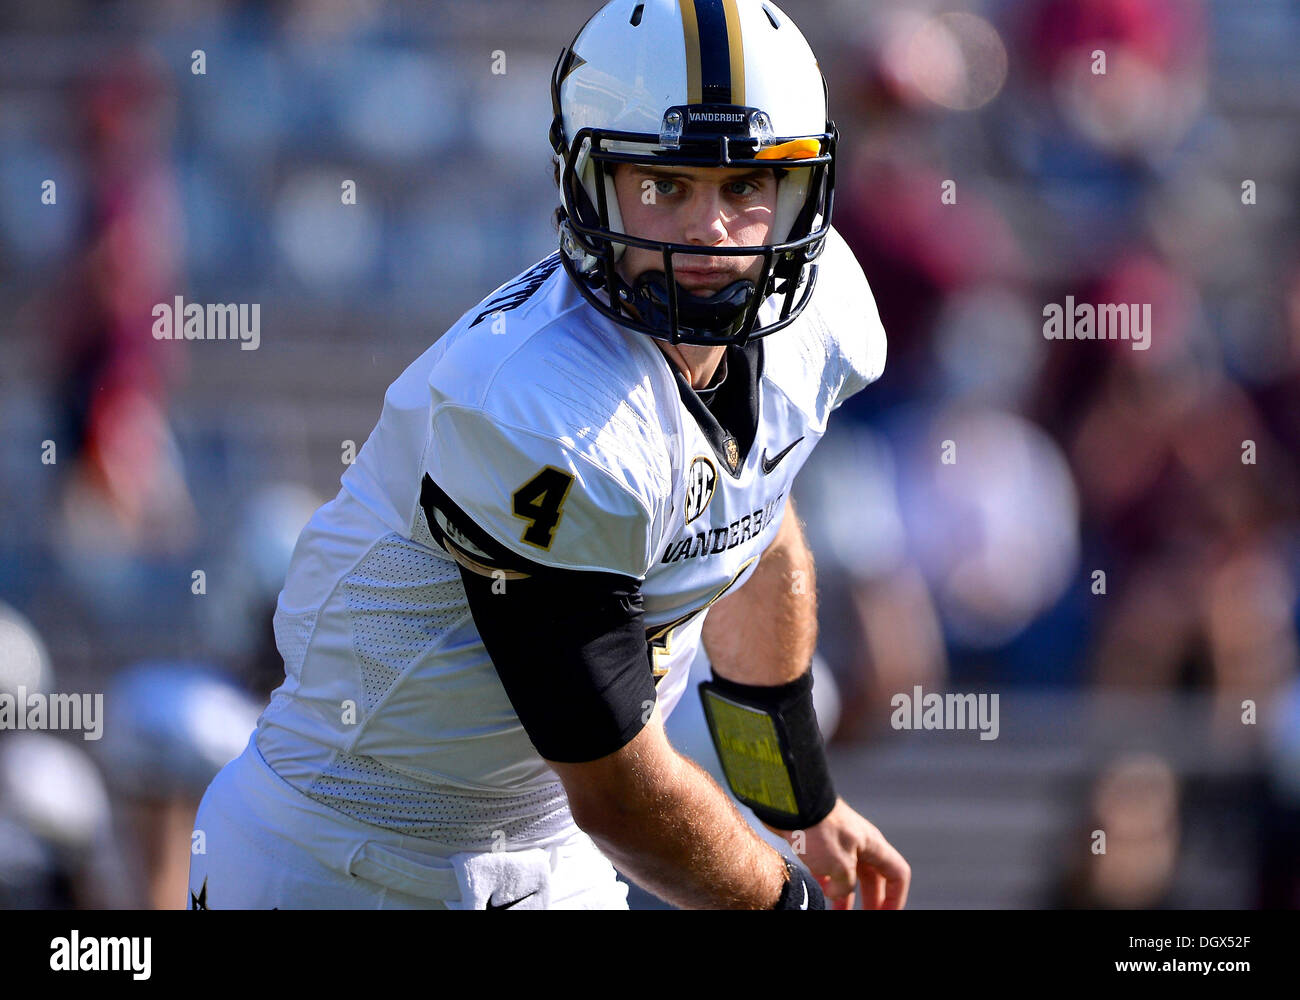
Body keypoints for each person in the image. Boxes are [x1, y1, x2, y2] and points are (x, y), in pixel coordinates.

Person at [188, 0, 909, 911]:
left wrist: (800, 806)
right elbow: (613, 784)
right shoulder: (535, 407)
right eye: (663, 184)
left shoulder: (816, 316)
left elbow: (755, 518)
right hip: (341, 853)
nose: (710, 232)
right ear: (586, 180)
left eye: (744, 187)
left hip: (549, 848)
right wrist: (787, 902)